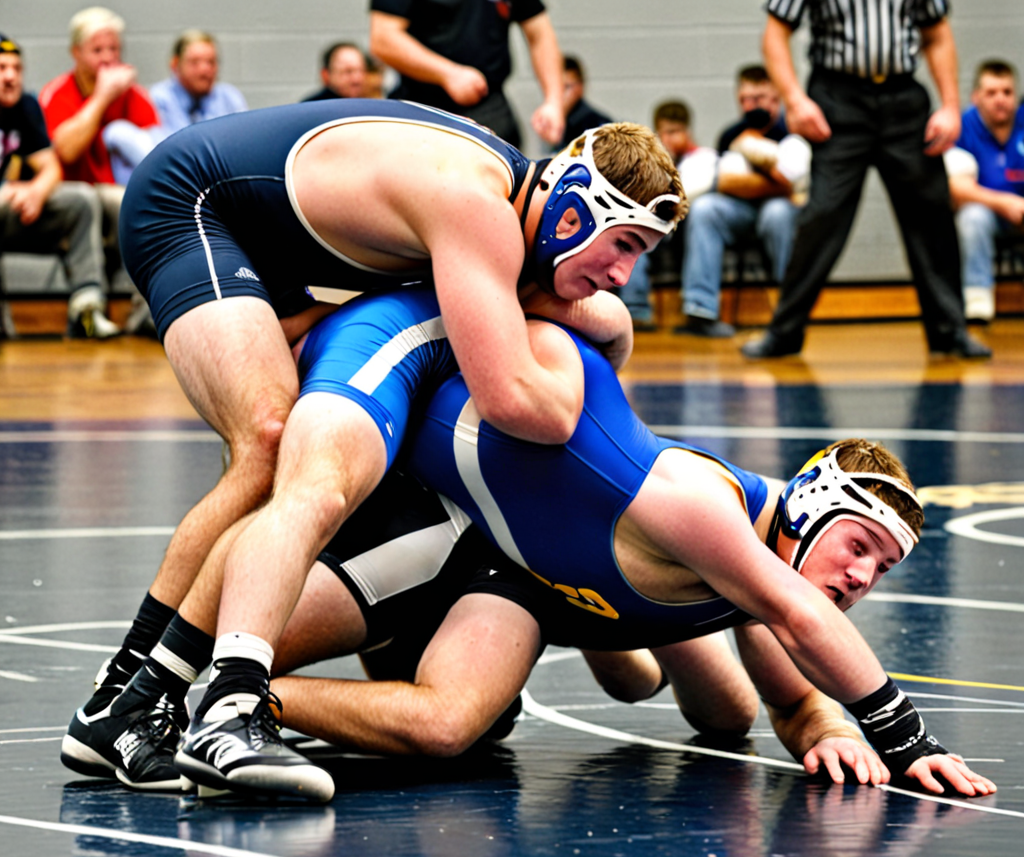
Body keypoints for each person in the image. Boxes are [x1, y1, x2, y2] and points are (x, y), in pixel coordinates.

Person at [62, 290, 995, 802]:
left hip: (514, 580)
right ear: (808, 506)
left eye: (884, 567)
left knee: (458, 724)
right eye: (860, 544)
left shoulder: (759, 585)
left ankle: (220, 712)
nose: (864, 575)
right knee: (272, 561)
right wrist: (900, 735)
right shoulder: (713, 511)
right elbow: (790, 617)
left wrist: (827, 725)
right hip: (451, 514)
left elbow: (745, 718)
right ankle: (160, 689)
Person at [60, 113, 684, 799]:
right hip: (193, 203)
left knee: (302, 448)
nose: (624, 274)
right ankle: (131, 699)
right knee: (270, 441)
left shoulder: (499, 209)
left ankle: (126, 705)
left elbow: (585, 317)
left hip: (291, 247)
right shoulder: (478, 207)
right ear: (570, 212)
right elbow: (512, 398)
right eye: (622, 245)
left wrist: (599, 323)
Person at [742, 0, 991, 360]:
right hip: (837, 98)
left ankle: (950, 332)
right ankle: (784, 332)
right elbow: (775, 33)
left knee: (931, 213)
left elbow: (936, 34)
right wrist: (795, 100)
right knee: (822, 216)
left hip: (902, 97)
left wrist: (950, 106)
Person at [38, 6, 158, 335]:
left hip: (115, 194)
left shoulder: (136, 96)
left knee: (142, 204)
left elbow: (157, 159)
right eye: (97, 50)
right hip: (68, 195)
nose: (108, 59)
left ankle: (149, 311)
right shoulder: (58, 92)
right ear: (76, 53)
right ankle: (87, 312)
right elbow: (66, 149)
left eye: (114, 49)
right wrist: (103, 97)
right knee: (89, 200)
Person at [0, 33, 118, 339]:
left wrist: (36, 191)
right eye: (1, 68)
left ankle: (86, 309)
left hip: (13, 210)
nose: (11, 77)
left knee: (80, 199)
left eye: (16, 68)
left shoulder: (24, 107)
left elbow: (52, 166)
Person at [676, 65, 808, 339]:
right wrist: (767, 185)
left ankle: (790, 310)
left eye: (758, 98)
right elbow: (724, 183)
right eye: (744, 99)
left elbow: (791, 185)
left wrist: (754, 176)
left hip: (782, 210)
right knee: (704, 209)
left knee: (777, 212)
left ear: (775, 98)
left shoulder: (792, 132)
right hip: (740, 212)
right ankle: (700, 310)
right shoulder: (731, 134)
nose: (751, 106)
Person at [369, 0, 564, 148]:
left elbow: (540, 33)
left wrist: (554, 101)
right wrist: (447, 74)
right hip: (423, 107)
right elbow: (383, 38)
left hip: (488, 106)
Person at [620, 99, 719, 329]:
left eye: (675, 132)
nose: (669, 139)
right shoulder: (647, 163)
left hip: (690, 231)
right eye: (664, 133)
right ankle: (635, 311)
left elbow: (682, 197)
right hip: (659, 230)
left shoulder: (705, 157)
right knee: (633, 225)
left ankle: (699, 311)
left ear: (687, 131)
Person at [944, 60, 1024, 326]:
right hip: (987, 212)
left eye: (1007, 92)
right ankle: (977, 299)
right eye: (991, 93)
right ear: (975, 97)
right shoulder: (963, 128)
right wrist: (1004, 203)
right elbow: (957, 188)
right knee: (973, 216)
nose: (1000, 100)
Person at [149, 30, 247, 133]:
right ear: (175, 64)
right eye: (195, 62)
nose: (204, 70)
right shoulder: (158, 100)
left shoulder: (230, 98)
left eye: (211, 62)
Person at [558, 55, 611, 150]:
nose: (560, 93)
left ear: (580, 86)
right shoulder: (557, 123)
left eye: (566, 87)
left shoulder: (597, 125)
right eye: (556, 87)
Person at [301, 41, 367, 102]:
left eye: (361, 71)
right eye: (348, 71)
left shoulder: (369, 106)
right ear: (326, 75)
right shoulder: (312, 107)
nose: (356, 79)